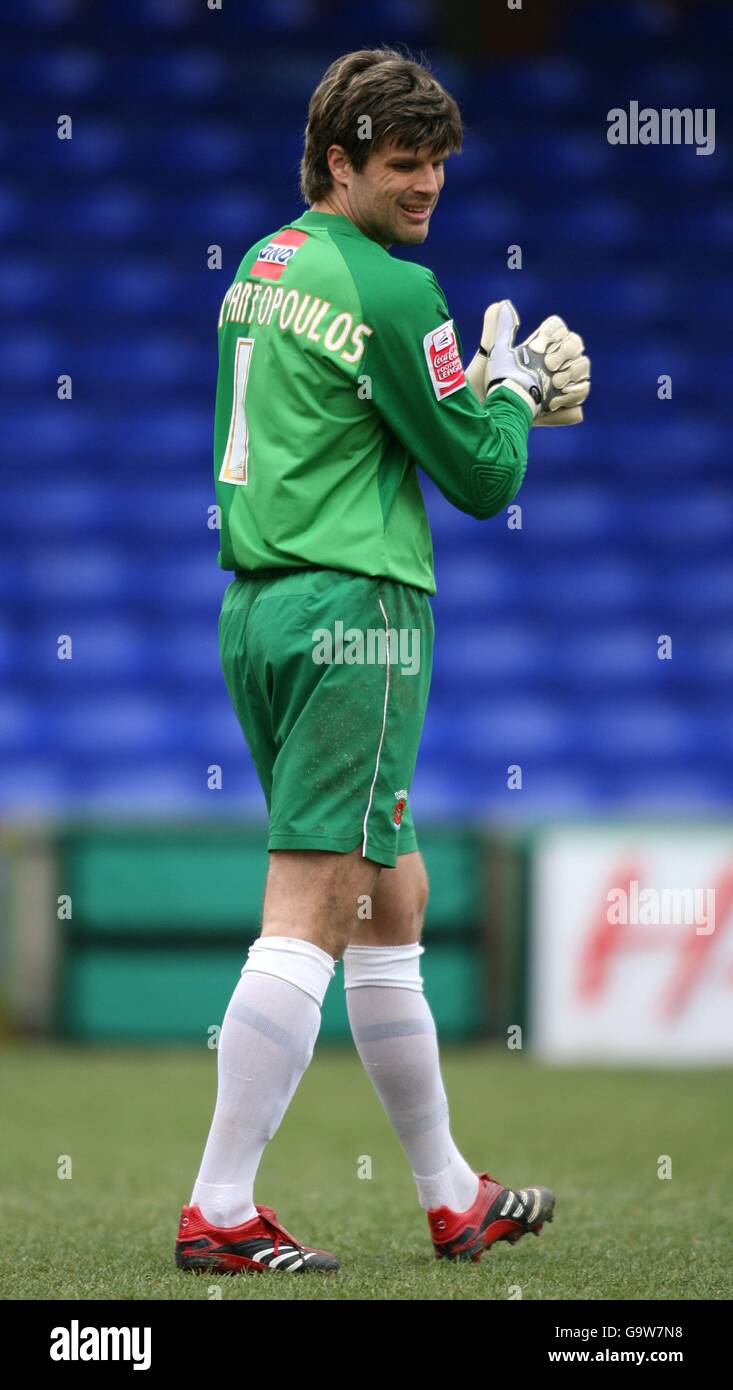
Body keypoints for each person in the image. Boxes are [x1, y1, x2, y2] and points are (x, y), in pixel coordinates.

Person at [175, 46, 589, 1274]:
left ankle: (451, 1191)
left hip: (258, 608)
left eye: (439, 165)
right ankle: (221, 1207)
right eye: (403, 165)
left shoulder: (263, 263)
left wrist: (475, 390)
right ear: (340, 160)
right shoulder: (394, 294)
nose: (427, 187)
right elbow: (478, 477)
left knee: (389, 895)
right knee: (313, 902)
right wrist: (509, 392)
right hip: (356, 612)